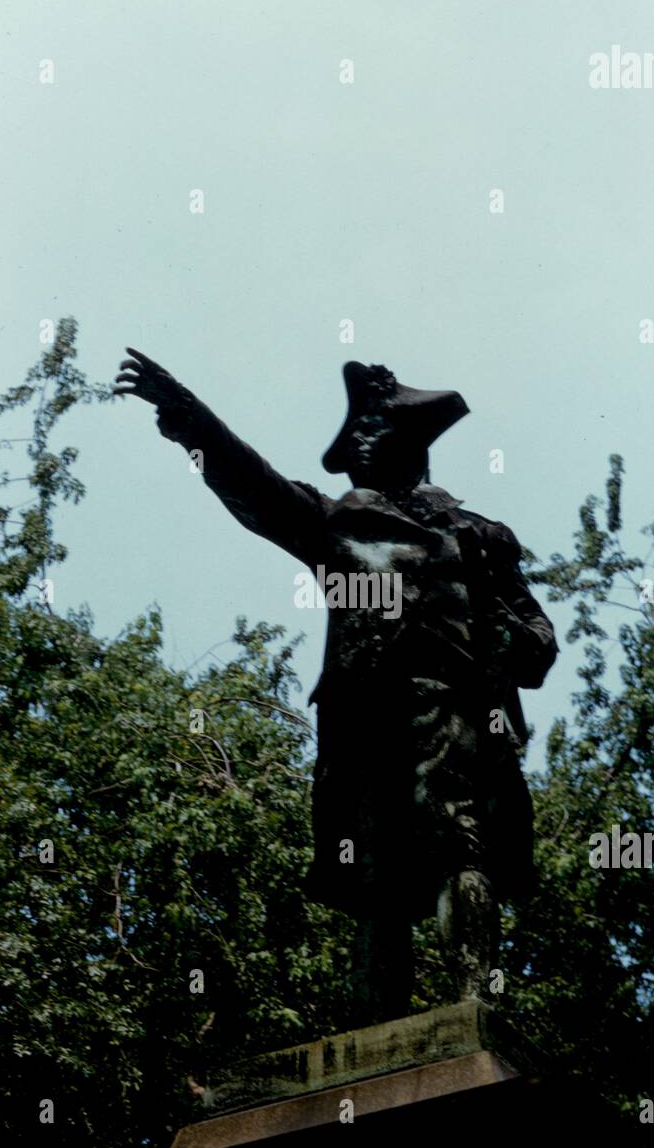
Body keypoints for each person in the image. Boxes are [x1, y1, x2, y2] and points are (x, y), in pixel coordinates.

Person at [115, 351, 558, 1027]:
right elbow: (254, 487)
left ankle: (472, 1013)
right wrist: (187, 417)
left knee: (458, 842)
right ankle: (370, 1044)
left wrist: (500, 640)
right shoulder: (335, 523)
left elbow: (537, 641)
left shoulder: (481, 537)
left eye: (372, 428)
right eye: (354, 435)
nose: (358, 444)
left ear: (407, 439)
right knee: (377, 884)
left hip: (455, 712)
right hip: (365, 724)